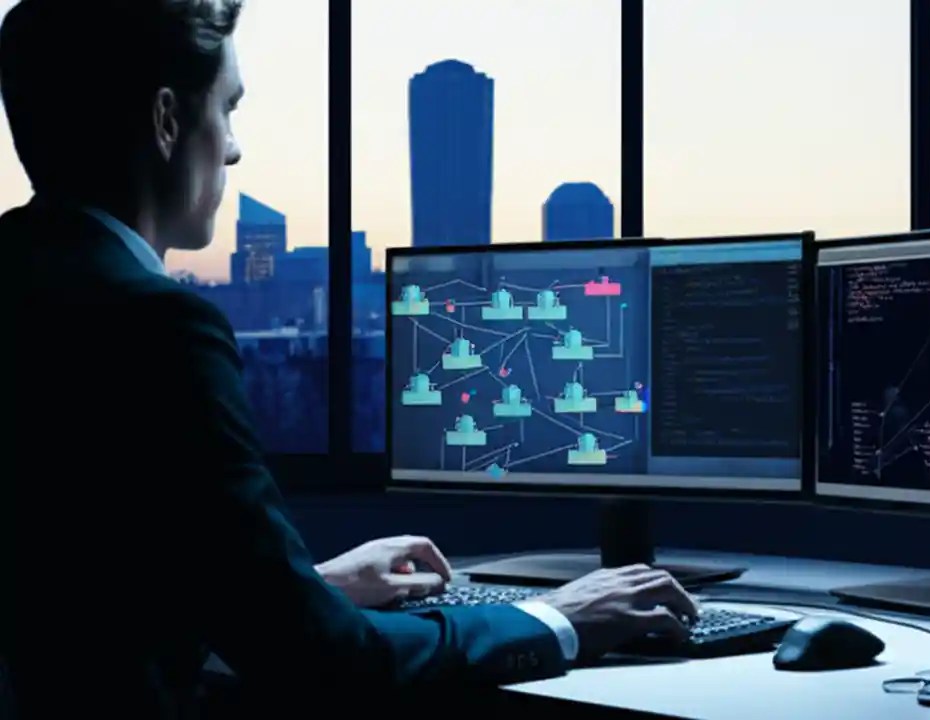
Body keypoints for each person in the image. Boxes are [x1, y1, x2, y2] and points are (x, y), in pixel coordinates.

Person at [0, 0, 697, 715]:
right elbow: (324, 664)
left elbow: (92, 585)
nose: (235, 149)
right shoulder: (154, 325)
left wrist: (310, 587)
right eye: (228, 111)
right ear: (167, 120)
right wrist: (555, 618)